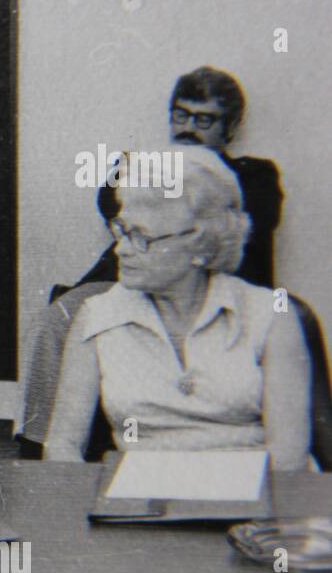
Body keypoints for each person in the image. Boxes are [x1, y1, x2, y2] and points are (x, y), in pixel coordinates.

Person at [45, 145, 311, 470]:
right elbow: (62, 446)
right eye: (121, 230)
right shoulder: (97, 317)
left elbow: (289, 457)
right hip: (145, 506)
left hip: (255, 504)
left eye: (140, 236)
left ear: (199, 243)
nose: (120, 250)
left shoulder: (271, 317)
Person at [75, 66, 283, 289]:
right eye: (181, 115)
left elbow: (247, 225)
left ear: (230, 128)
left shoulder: (255, 175)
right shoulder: (135, 163)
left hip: (218, 297)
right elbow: (109, 204)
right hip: (129, 290)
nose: (188, 128)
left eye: (204, 120)